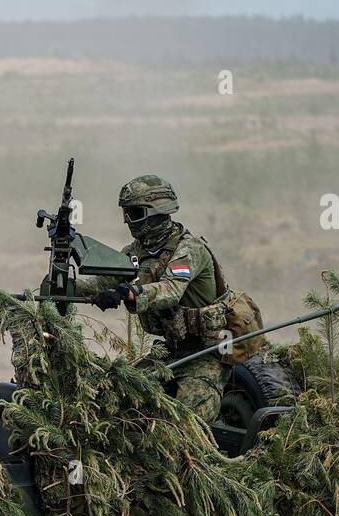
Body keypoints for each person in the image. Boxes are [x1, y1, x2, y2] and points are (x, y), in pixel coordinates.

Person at [83, 174, 232, 423]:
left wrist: (130, 292)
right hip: (168, 352)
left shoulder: (189, 249)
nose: (129, 221)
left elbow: (171, 289)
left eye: (135, 213)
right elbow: (100, 282)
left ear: (157, 210)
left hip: (204, 356)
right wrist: (62, 282)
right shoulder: (135, 252)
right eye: (126, 214)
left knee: (187, 429)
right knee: (117, 405)